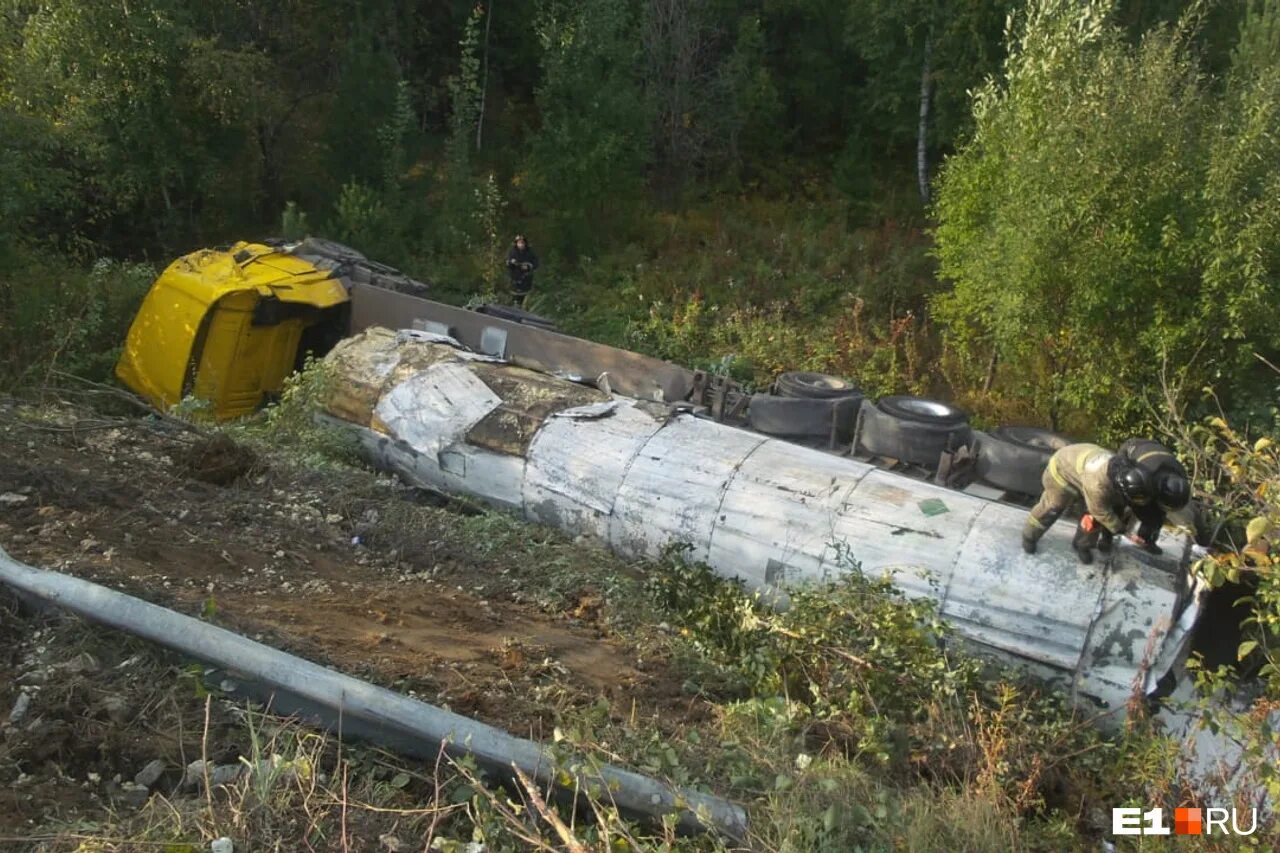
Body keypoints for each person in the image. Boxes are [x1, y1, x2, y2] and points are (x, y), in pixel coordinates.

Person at [1022, 443, 1152, 564]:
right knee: (1053, 506)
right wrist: (1125, 532)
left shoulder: (1124, 471)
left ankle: (1082, 545)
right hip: (1061, 471)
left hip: (1083, 475)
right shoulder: (1098, 486)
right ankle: (1029, 535)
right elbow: (1101, 512)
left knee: (1091, 518)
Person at [1116, 438, 1195, 554]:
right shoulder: (1145, 474)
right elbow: (1136, 501)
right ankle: (1109, 534)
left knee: (1157, 516)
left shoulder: (1181, 475)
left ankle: (1147, 540)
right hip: (1131, 449)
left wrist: (1153, 521)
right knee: (1124, 497)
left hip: (1155, 452)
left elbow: (1160, 513)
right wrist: (1123, 529)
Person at [505, 234, 539, 307]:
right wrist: (511, 263)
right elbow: (508, 264)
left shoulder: (530, 252)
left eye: (522, 243)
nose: (521, 245)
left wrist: (528, 267)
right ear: (516, 243)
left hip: (526, 281)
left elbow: (536, 263)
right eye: (519, 243)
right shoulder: (512, 252)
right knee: (514, 299)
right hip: (515, 280)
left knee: (525, 300)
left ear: (525, 243)